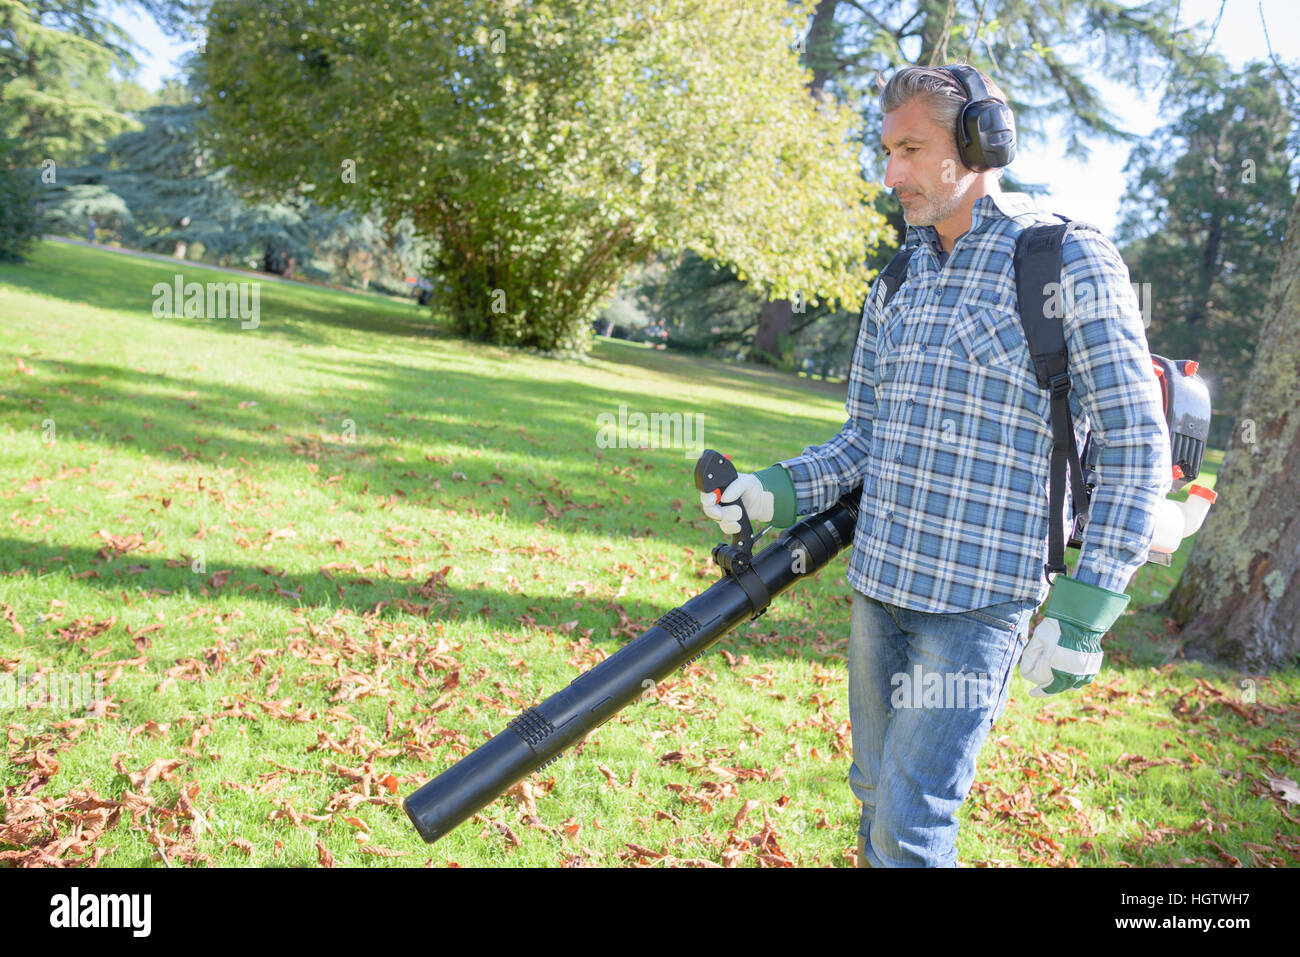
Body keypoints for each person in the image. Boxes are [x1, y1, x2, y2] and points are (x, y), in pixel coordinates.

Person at [700, 64, 1171, 867]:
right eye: (886, 150)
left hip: (979, 603)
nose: (891, 175)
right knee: (875, 796)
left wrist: (1090, 605)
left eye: (911, 148)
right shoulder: (899, 277)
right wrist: (770, 491)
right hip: (880, 588)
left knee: (911, 824)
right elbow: (863, 438)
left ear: (980, 141)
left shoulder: (1064, 261)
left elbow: (1136, 444)